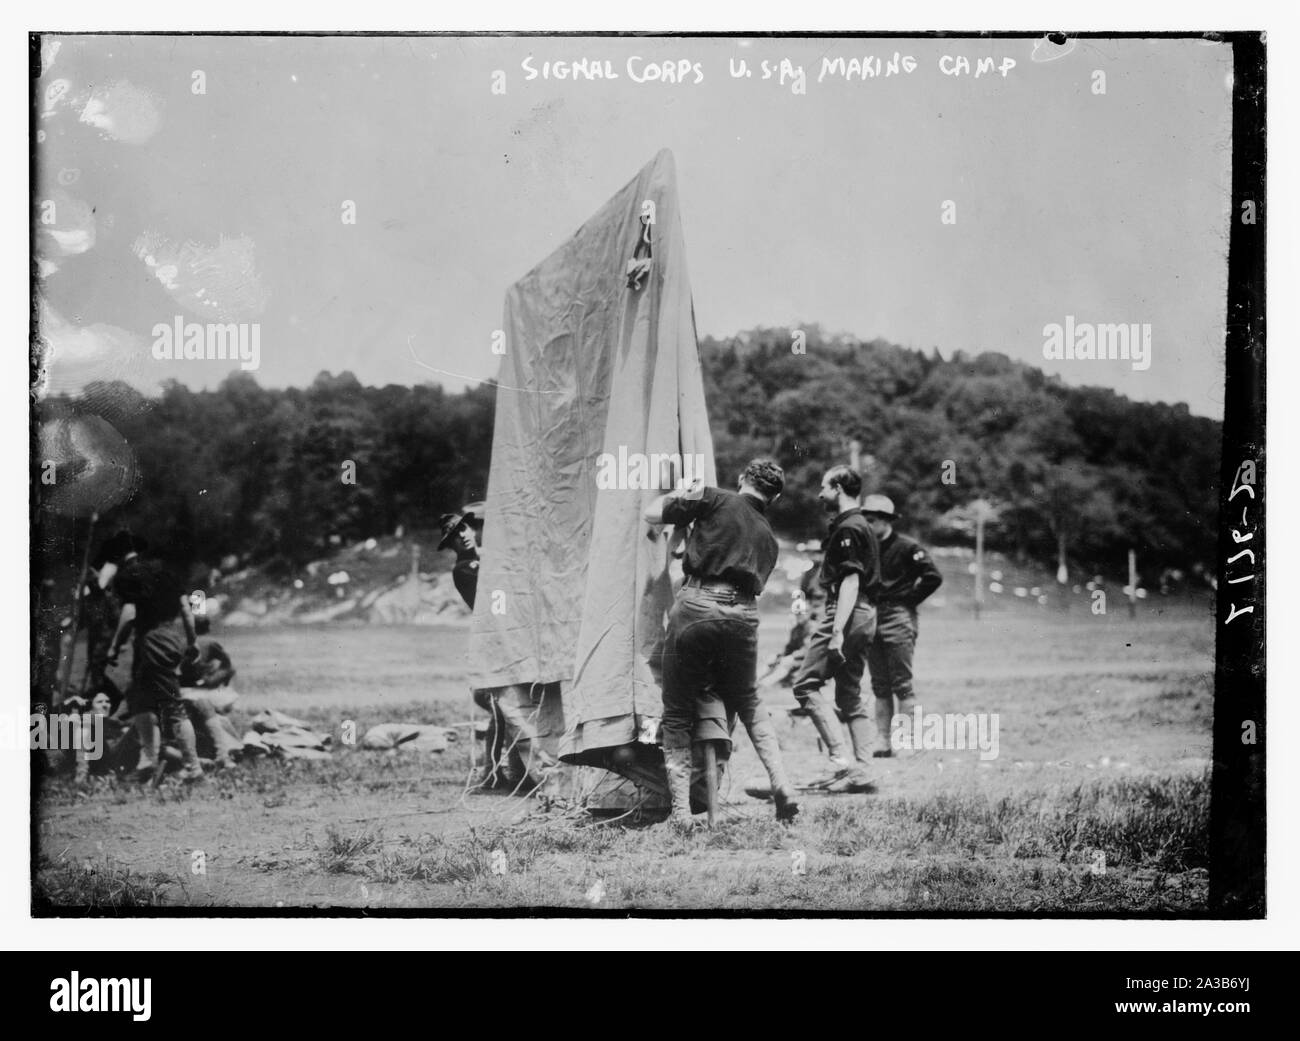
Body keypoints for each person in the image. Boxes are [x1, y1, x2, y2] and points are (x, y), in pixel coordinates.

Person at [644, 458, 800, 825]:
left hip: (697, 607)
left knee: (679, 710)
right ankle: (783, 782)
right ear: (773, 499)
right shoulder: (769, 537)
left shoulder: (712, 498)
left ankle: (681, 813)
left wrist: (682, 494)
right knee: (748, 700)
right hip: (744, 616)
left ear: (742, 478)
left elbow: (653, 514)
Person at [438, 506, 558, 793]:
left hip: (513, 637)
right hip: (494, 640)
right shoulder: (466, 570)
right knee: (499, 707)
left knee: (510, 709)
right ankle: (493, 772)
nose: (463, 537)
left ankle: (511, 772)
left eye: (464, 529)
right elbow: (495, 603)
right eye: (455, 536)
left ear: (472, 528)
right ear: (451, 544)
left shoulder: (488, 560)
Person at [789, 465, 881, 791]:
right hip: (866, 613)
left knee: (805, 685)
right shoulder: (862, 525)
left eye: (825, 487)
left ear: (839, 488)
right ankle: (864, 772)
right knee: (849, 694)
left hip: (847, 612)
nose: (819, 494)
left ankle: (840, 761)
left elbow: (851, 581)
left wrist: (837, 631)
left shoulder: (848, 529)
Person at [102, 534, 204, 783]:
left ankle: (193, 769)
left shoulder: (127, 576)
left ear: (117, 558)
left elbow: (128, 614)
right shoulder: (164, 571)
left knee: (173, 707)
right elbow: (185, 610)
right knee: (139, 700)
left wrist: (114, 647)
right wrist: (192, 642)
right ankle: (148, 762)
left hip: (151, 640)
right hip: (171, 637)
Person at [860, 494, 943, 756]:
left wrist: (908, 601)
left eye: (871, 520)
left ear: (886, 521)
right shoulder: (865, 549)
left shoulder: (908, 547)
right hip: (872, 616)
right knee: (879, 684)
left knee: (902, 684)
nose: (868, 525)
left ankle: (908, 741)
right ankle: (883, 741)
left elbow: (932, 577)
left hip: (898, 617)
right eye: (865, 520)